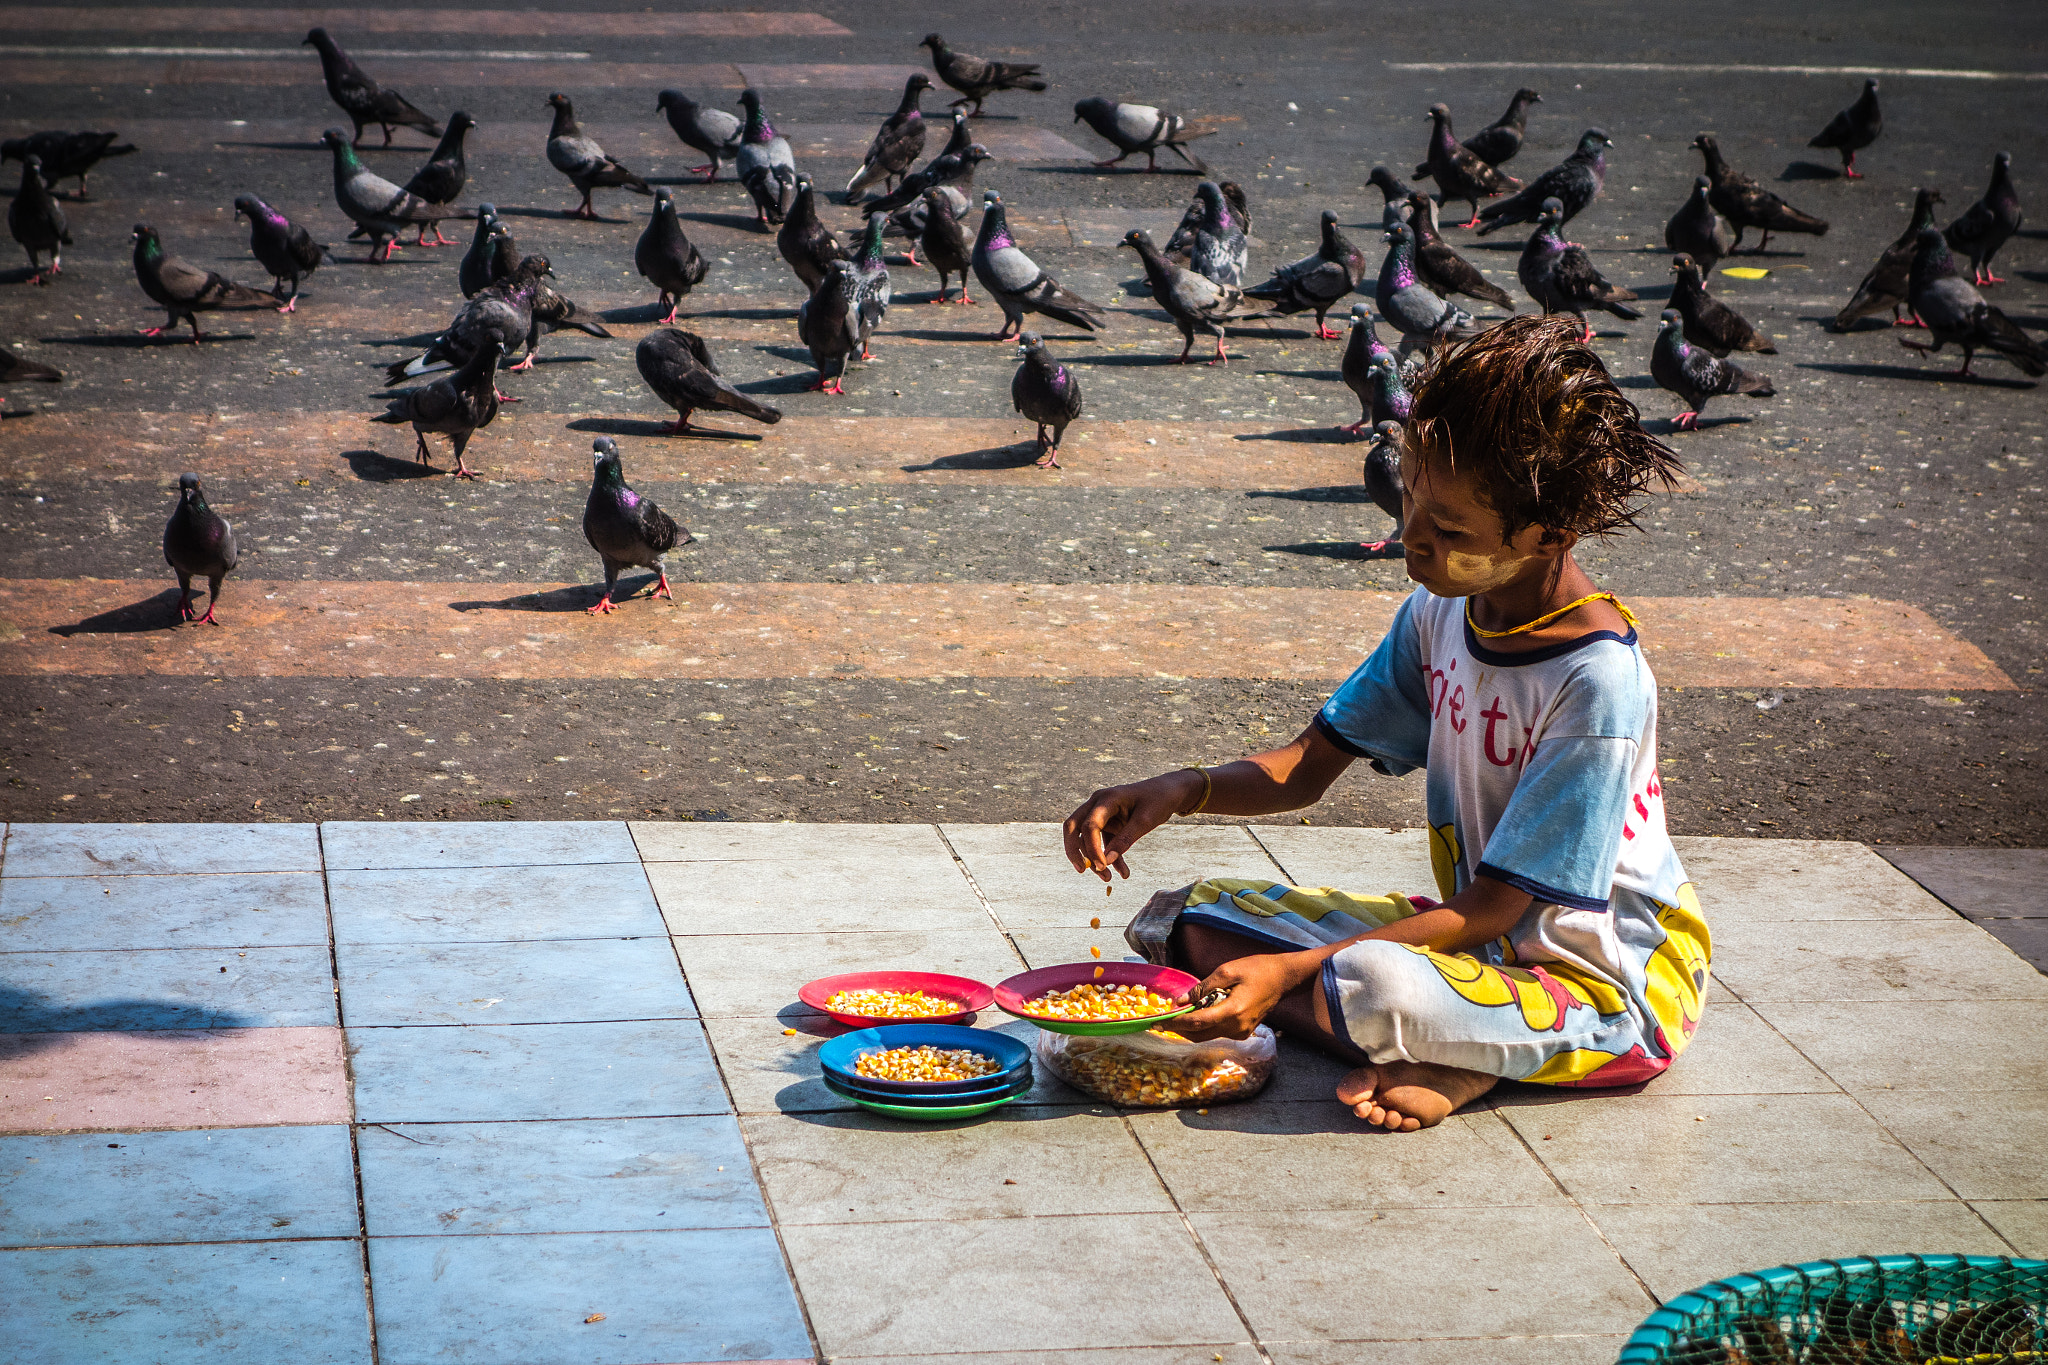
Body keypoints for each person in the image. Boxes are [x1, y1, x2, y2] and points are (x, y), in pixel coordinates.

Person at [1061, 315, 1711, 1132]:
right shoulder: (1440, 615)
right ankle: (1434, 1035)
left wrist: (1294, 968)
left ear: (1551, 532)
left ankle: (1468, 1058)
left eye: (1448, 531)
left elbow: (1491, 907)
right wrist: (1172, 790)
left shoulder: (1598, 681)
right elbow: (1306, 765)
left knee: (1372, 982)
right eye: (1410, 499)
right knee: (1187, 919)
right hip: (1480, 954)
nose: (1411, 539)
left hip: (1602, 985)